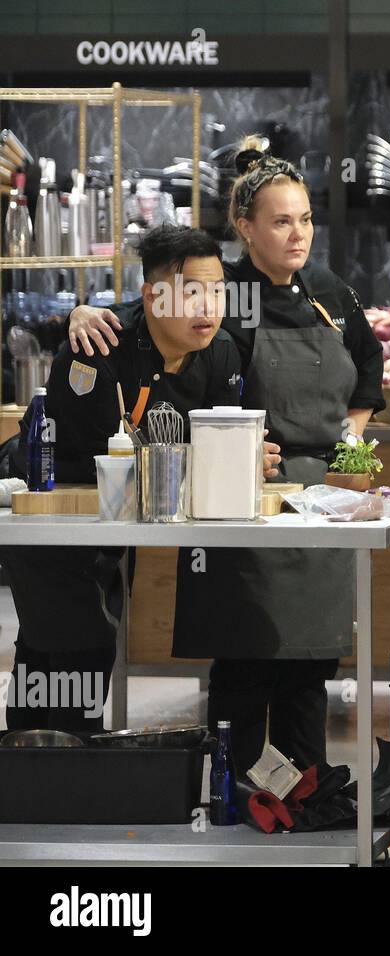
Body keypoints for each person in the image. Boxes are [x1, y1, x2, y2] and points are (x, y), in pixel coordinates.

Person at [66, 143, 384, 773]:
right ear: (245, 228)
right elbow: (152, 320)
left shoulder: (329, 293)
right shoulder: (223, 291)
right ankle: (234, 795)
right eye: (281, 221)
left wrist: (347, 445)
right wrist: (77, 314)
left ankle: (303, 796)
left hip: (319, 500)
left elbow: (368, 374)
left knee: (309, 666)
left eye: (306, 219)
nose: (299, 234)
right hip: (240, 499)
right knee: (245, 660)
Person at [2, 225, 252, 734]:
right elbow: (106, 458)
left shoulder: (222, 351)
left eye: (217, 290)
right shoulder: (97, 342)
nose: (209, 305)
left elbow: (211, 445)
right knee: (80, 641)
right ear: (153, 297)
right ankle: (64, 768)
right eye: (191, 292)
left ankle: (29, 764)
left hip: (116, 519)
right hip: (47, 506)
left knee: (49, 643)